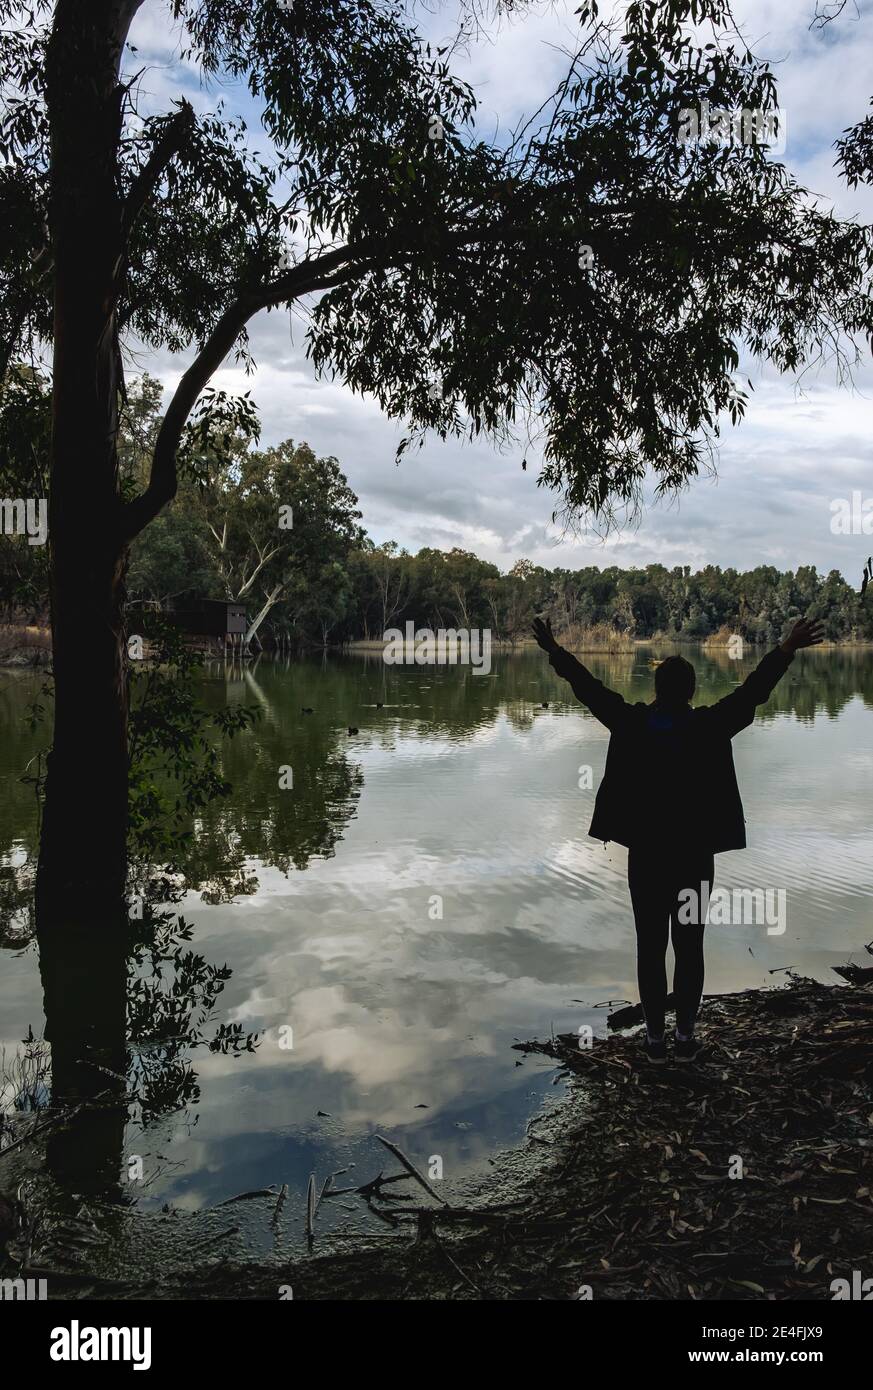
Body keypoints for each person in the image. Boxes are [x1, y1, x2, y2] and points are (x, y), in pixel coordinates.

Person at [533, 615, 824, 1064]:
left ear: (657, 690)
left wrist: (555, 650)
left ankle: (654, 1041)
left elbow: (587, 687)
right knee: (689, 948)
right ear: (690, 691)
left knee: (650, 948)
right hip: (692, 859)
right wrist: (786, 648)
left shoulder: (631, 723)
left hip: (647, 859)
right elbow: (755, 691)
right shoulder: (709, 726)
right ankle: (685, 1038)